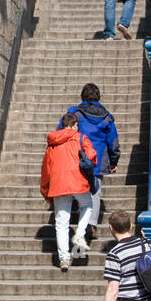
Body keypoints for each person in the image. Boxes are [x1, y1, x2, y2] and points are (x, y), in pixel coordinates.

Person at [57, 83, 120, 239]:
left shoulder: (74, 114)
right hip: (96, 161)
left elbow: (60, 133)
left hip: (74, 158)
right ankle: (91, 223)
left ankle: (69, 218)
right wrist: (113, 160)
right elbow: (113, 142)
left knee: (72, 188)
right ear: (98, 97)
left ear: (82, 96)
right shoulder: (106, 117)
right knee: (94, 192)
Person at [40, 112, 98, 268]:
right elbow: (92, 155)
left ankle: (64, 258)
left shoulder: (52, 142)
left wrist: (45, 188)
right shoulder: (80, 137)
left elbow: (47, 167)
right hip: (78, 181)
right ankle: (79, 234)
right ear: (75, 125)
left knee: (61, 222)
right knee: (87, 205)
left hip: (58, 183)